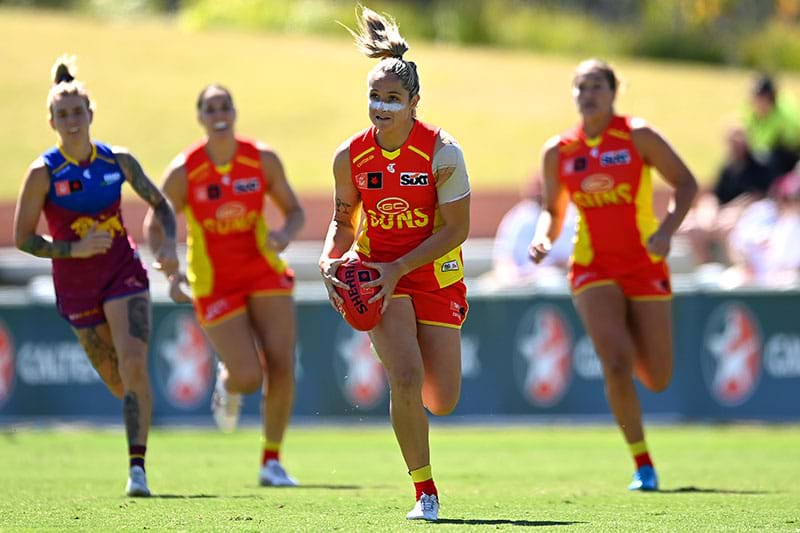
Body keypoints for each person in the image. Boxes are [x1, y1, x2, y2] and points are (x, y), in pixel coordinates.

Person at [319, 6, 471, 522]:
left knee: (442, 398)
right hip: (378, 273)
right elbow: (342, 222)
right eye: (374, 97)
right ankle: (425, 492)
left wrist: (400, 266)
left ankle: (421, 439)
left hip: (432, 273)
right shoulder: (349, 156)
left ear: (413, 103)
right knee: (404, 377)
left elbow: (456, 230)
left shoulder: (443, 153)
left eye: (392, 99)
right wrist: (329, 258)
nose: (380, 107)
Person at [13, 55, 180, 497]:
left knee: (134, 362)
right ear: (52, 121)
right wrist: (74, 249)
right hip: (76, 287)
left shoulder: (118, 161)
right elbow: (22, 239)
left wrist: (166, 245)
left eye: (78, 111)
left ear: (90, 114)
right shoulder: (43, 173)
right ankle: (138, 421)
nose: (72, 120)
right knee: (118, 381)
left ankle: (137, 470)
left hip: (123, 272)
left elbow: (161, 204)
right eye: (63, 114)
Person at [529, 59, 698, 491]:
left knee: (657, 376)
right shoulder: (559, 150)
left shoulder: (638, 135)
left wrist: (666, 231)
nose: (588, 94)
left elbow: (686, 184)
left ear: (613, 92)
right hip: (592, 265)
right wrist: (543, 238)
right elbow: (552, 210)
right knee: (616, 362)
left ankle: (632, 339)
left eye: (597, 86)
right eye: (581, 87)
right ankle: (643, 464)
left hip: (644, 262)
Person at [145, 84, 304, 487]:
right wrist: (169, 267)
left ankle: (272, 461)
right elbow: (156, 223)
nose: (219, 114)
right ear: (200, 117)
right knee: (248, 376)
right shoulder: (186, 170)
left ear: (234, 112)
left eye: (224, 106)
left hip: (263, 269)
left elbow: (295, 212)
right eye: (211, 108)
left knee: (282, 364)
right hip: (214, 281)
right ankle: (228, 383)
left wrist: (284, 234)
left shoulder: (261, 158)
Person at [483, 176, 576, 289]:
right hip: (520, 281)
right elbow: (503, 259)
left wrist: (555, 267)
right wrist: (515, 277)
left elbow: (573, 260)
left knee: (551, 282)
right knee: (488, 286)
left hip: (557, 280)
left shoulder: (571, 216)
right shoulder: (518, 217)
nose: (542, 196)